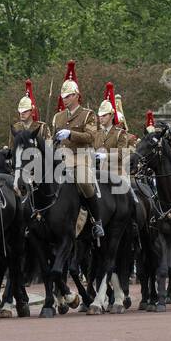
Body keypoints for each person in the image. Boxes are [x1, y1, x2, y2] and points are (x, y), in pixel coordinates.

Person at [50, 61, 106, 239]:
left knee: (83, 182)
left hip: (80, 159)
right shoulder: (58, 117)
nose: (64, 99)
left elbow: (90, 137)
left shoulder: (88, 114)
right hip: (60, 159)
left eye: (68, 96)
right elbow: (53, 140)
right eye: (63, 96)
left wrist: (70, 134)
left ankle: (97, 221)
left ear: (76, 96)